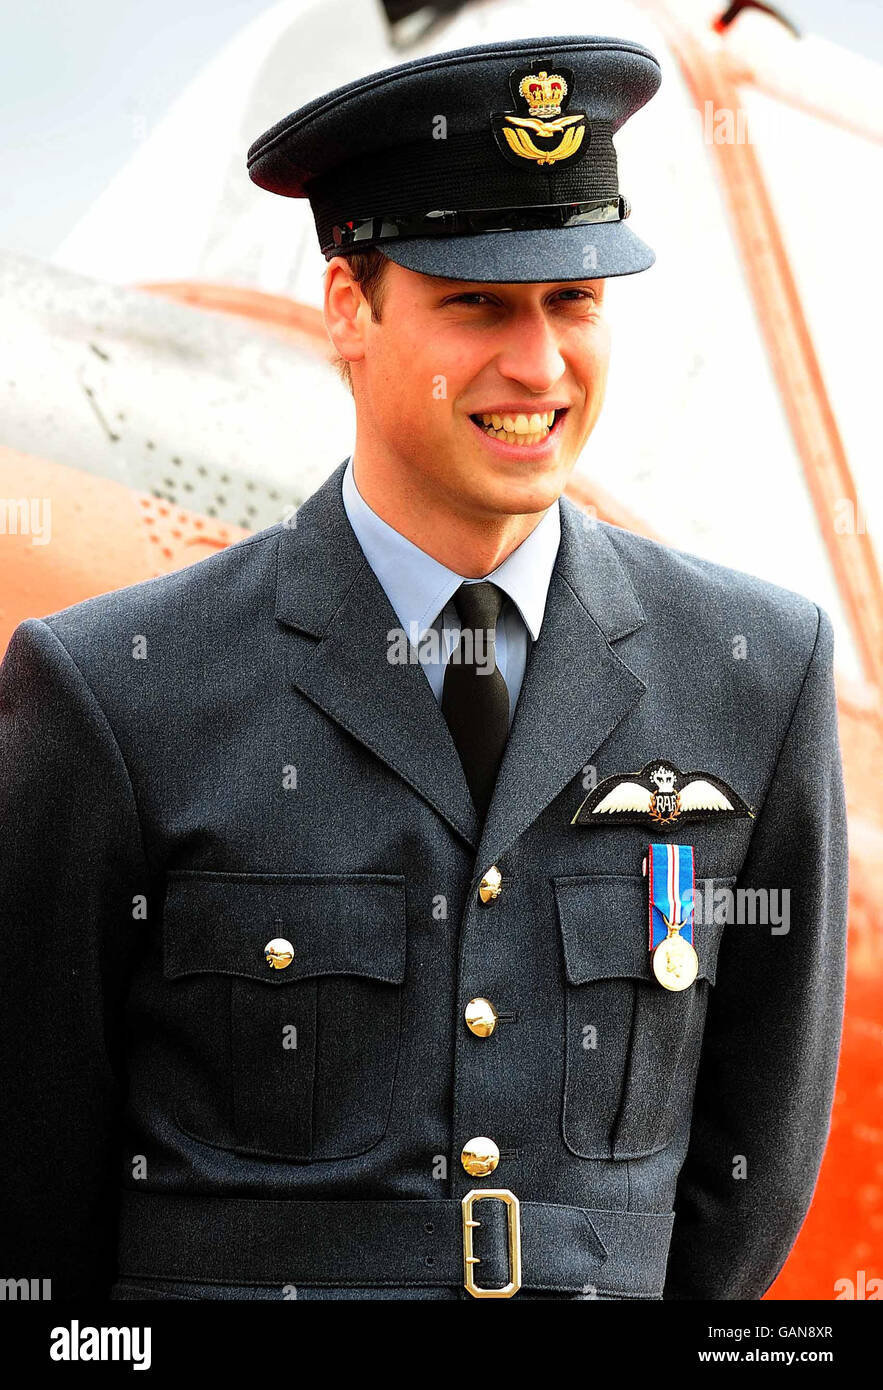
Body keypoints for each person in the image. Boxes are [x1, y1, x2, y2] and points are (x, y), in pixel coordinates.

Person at [0, 33, 847, 1301]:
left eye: (575, 300)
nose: (539, 365)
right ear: (350, 307)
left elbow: (754, 1164)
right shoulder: (113, 691)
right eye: (476, 303)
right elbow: (34, 1196)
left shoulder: (757, 678)